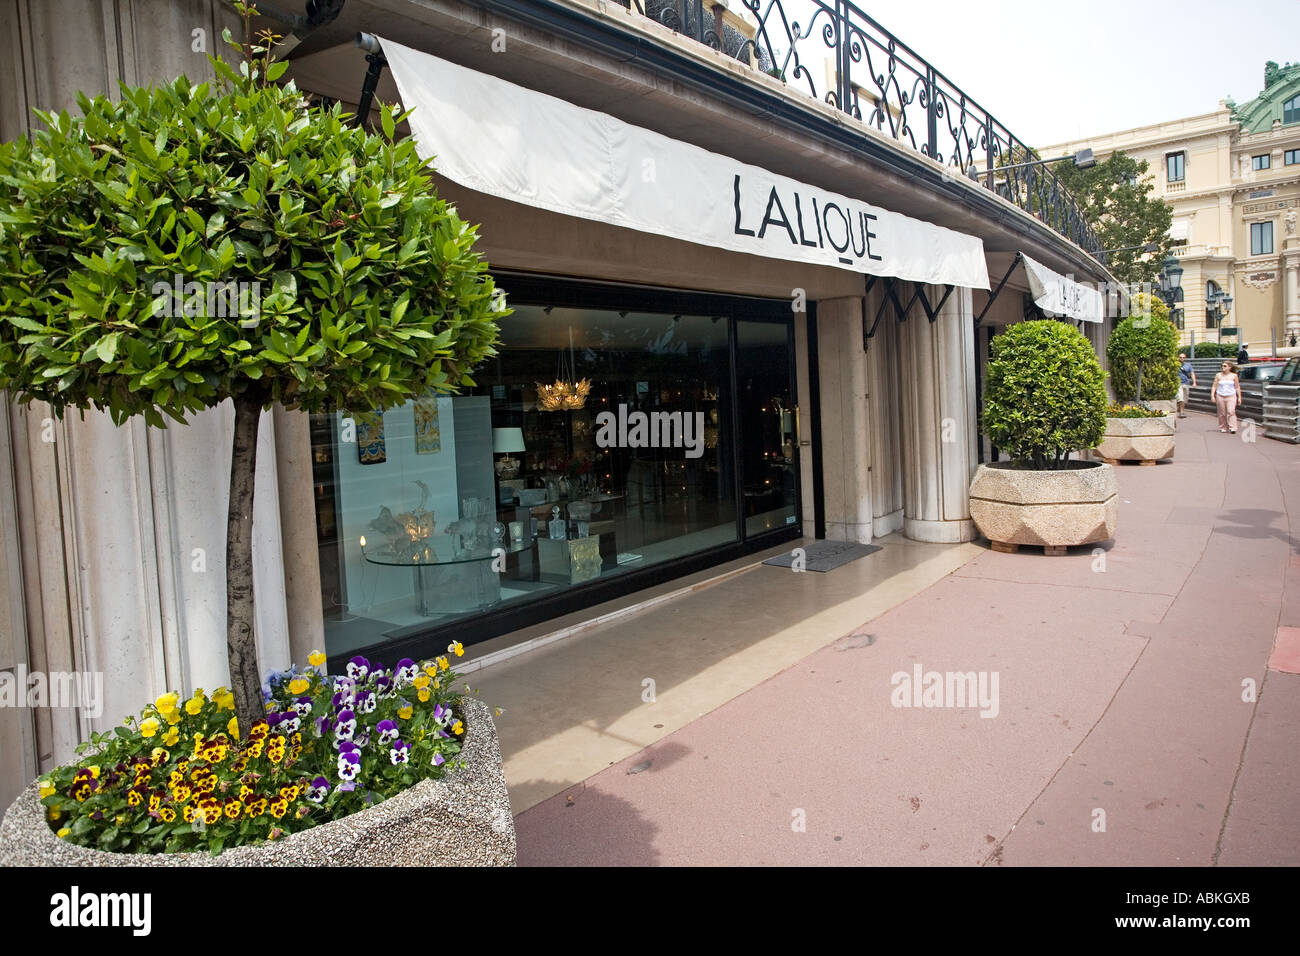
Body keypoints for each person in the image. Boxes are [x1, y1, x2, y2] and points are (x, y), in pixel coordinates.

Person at [1212, 361, 1241, 434]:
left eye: (1225, 366)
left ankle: (1232, 427)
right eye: (1222, 366)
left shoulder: (1234, 376)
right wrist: (1212, 395)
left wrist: (1239, 397)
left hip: (1231, 395)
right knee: (1222, 413)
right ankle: (1223, 427)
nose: (1223, 367)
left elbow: (1237, 387)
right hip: (1220, 395)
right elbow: (1214, 386)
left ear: (1229, 367)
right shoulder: (1218, 375)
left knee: (1231, 411)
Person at [1177, 352, 1196, 418]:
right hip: (1178, 383)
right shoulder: (1175, 365)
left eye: (1183, 357)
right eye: (1180, 357)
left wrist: (1194, 382)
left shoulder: (1188, 365)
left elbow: (1192, 373)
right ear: (1178, 358)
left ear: (1185, 358)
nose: (1182, 358)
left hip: (1186, 383)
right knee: (1180, 397)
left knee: (1185, 398)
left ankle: (1180, 408)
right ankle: (1181, 412)